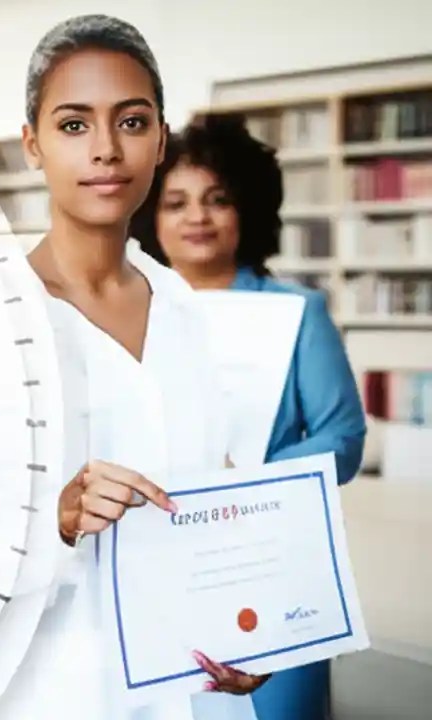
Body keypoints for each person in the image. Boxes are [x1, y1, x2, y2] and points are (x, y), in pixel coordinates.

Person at [0, 15, 270, 720]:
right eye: (73, 125)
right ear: (32, 144)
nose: (104, 149)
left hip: (194, 698)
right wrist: (53, 523)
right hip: (52, 696)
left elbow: (214, 506)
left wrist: (248, 630)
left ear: (159, 141)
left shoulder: (183, 311)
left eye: (130, 122)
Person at [131, 116, 367, 720]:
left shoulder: (298, 312)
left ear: (249, 210)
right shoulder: (131, 317)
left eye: (219, 200)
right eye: (176, 202)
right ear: (151, 219)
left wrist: (248, 475)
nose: (197, 217)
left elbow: (343, 439)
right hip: (164, 557)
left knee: (277, 706)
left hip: (275, 555)